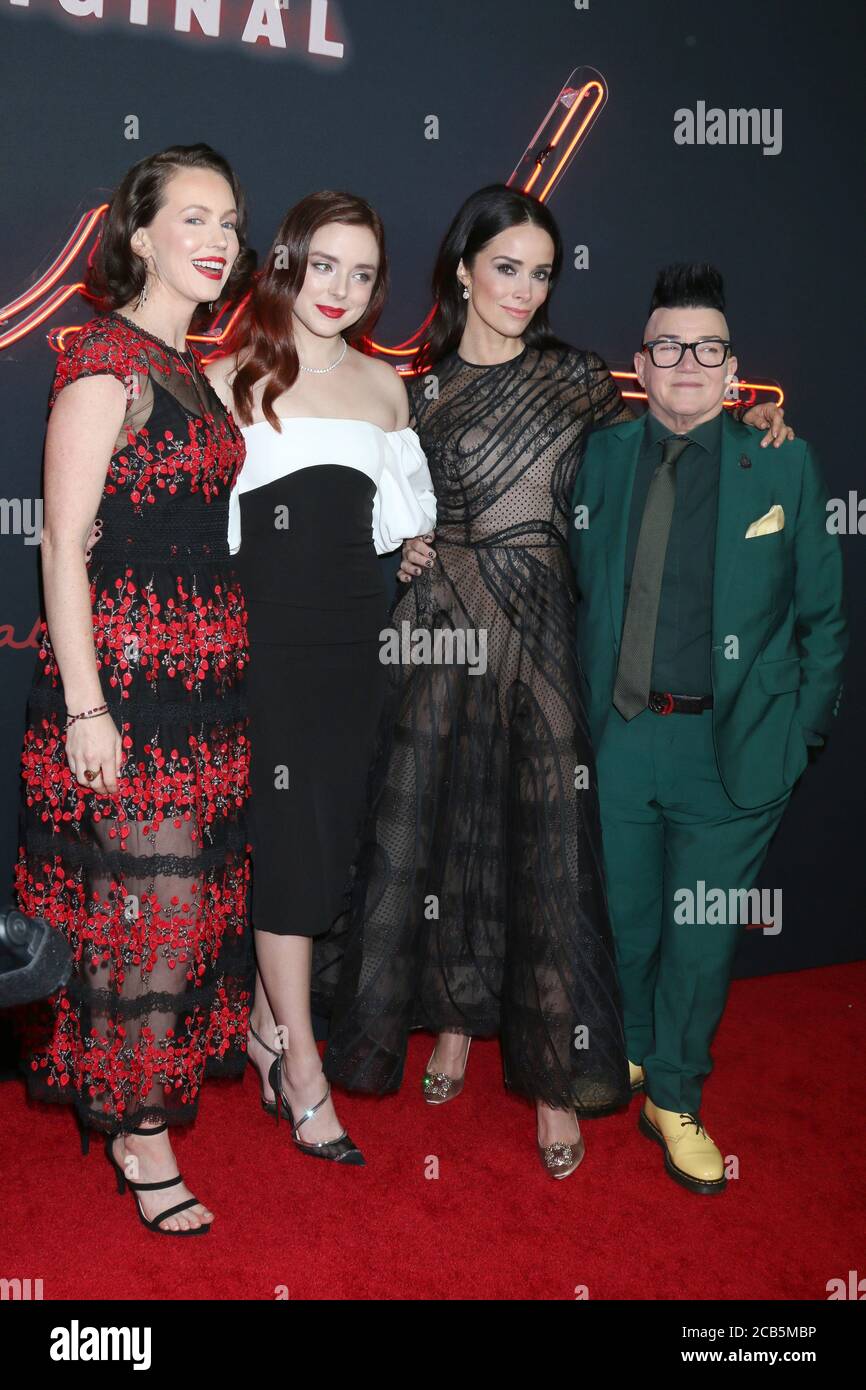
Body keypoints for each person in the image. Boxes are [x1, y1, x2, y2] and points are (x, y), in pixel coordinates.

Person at [314, 187, 791, 1177]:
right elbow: (385, 497)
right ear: (461, 271)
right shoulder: (420, 386)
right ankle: (447, 1023)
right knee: (441, 836)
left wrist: (758, 430)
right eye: (506, 268)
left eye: (540, 272)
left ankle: (550, 1076)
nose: (524, 290)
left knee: (544, 851)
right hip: (439, 629)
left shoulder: (575, 378)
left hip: (536, 628)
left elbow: (662, 438)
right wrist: (403, 547)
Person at [15, 144, 255, 1233]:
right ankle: (140, 1130)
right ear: (140, 232)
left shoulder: (195, 367)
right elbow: (62, 544)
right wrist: (87, 707)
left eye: (230, 222)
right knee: (146, 918)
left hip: (204, 689)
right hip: (124, 685)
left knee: (181, 909)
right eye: (193, 218)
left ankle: (136, 1108)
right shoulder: (101, 359)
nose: (217, 240)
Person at [569, 262, 846, 1194]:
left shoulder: (783, 461)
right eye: (669, 346)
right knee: (632, 925)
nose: (688, 361)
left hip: (737, 750)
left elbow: (824, 618)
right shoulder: (600, 456)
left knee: (701, 940)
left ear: (734, 371)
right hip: (622, 738)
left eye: (709, 348)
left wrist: (800, 734)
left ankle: (677, 1097)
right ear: (640, 363)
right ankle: (639, 1054)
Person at [206, 191, 435, 1165]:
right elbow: (184, 525)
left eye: (362, 272)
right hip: (267, 658)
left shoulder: (388, 391)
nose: (339, 288)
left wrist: (415, 539)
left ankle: (263, 1027)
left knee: (326, 850)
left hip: (355, 655)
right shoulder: (229, 376)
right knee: (294, 859)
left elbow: (400, 524)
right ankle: (303, 1072)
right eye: (323, 264)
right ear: (286, 263)